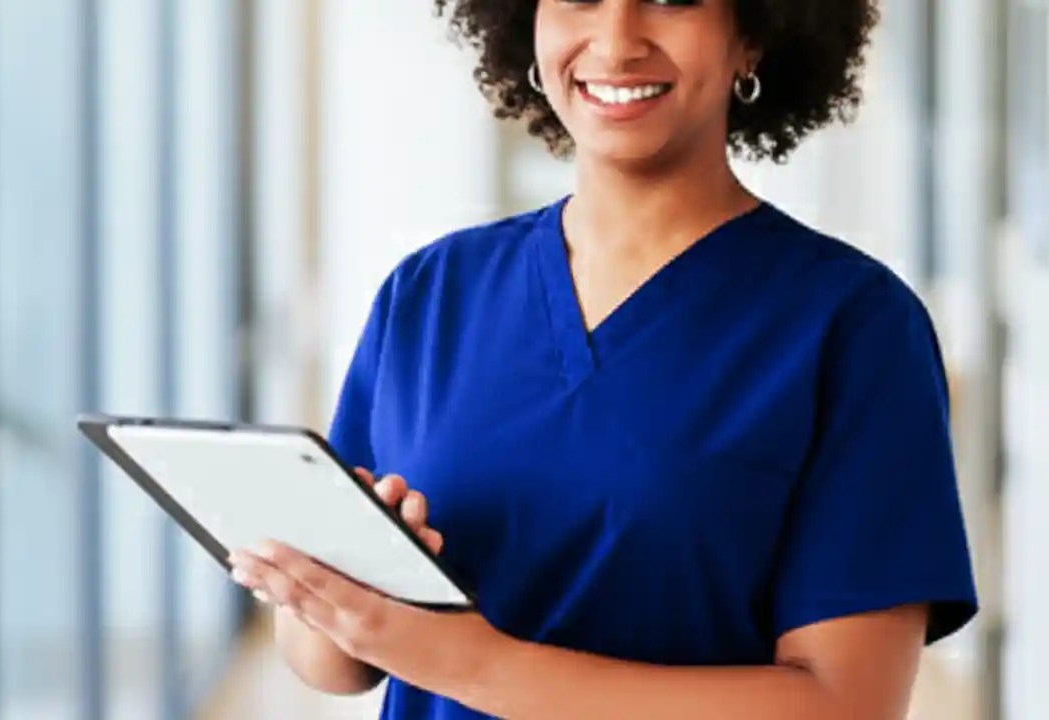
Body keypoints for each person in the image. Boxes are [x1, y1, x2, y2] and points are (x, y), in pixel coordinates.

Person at [227, 0, 978, 717]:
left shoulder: (854, 326)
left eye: (672, 0)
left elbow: (844, 706)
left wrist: (471, 662)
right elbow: (333, 666)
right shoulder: (431, 293)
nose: (617, 41)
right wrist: (327, 597)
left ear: (751, 34)